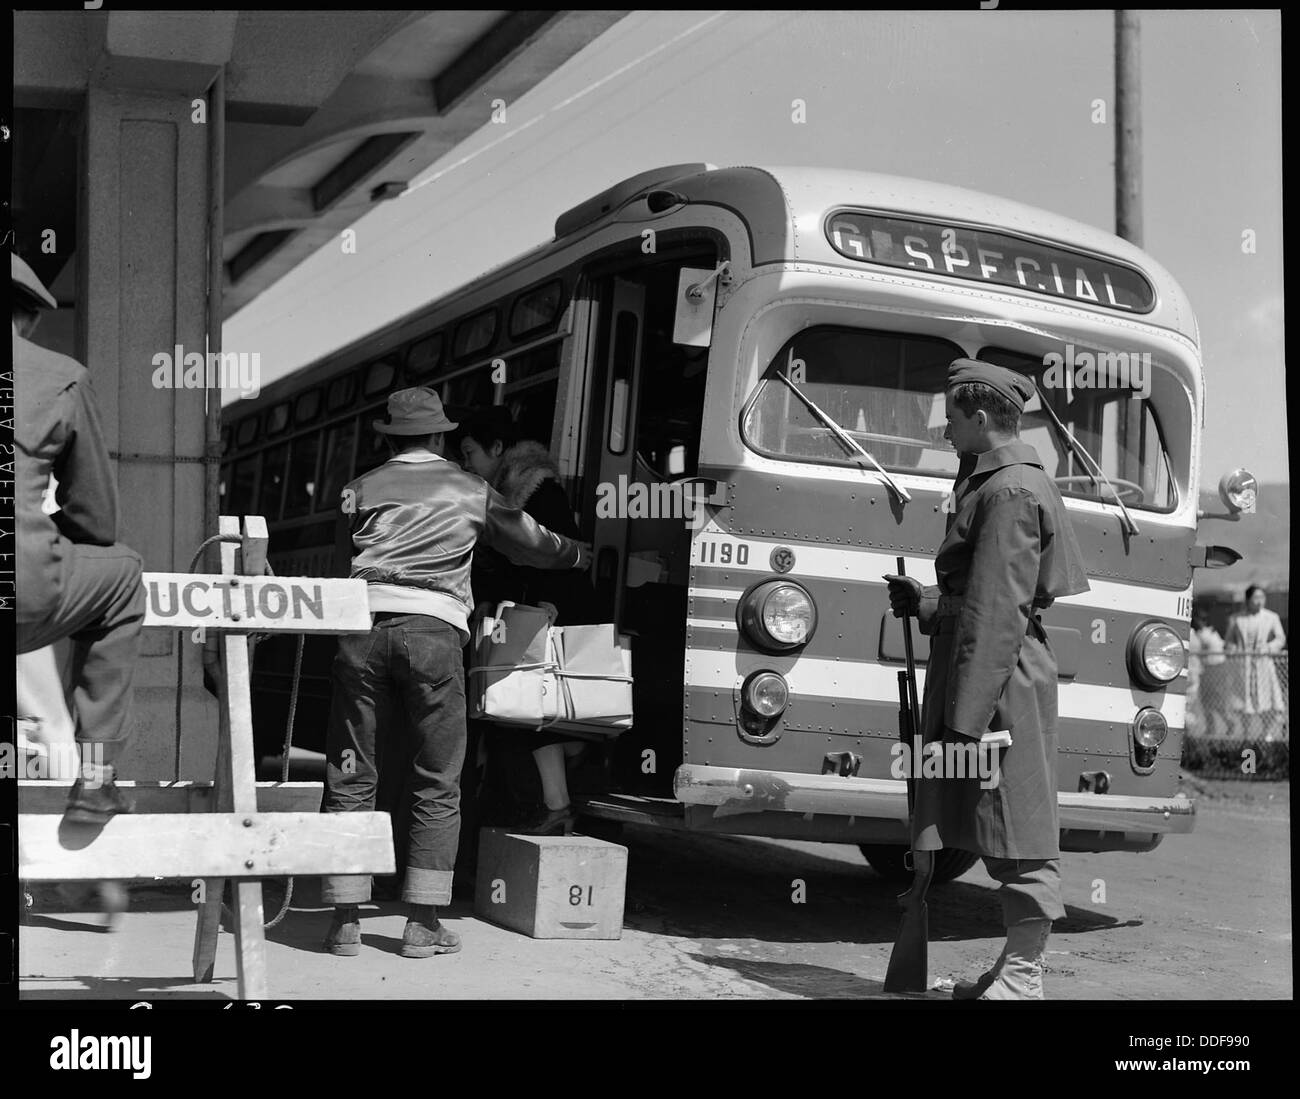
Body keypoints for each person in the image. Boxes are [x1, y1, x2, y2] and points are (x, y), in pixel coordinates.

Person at [321, 387, 590, 959]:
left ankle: (345, 919)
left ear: (389, 439)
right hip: (435, 635)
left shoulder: (358, 489)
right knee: (437, 777)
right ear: (441, 438)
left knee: (352, 774)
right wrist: (575, 554)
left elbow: (338, 565)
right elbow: (530, 544)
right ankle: (422, 924)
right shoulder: (468, 488)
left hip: (360, 635)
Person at [884, 358, 1089, 1001]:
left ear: (980, 418)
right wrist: (924, 605)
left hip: (998, 680)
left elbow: (1000, 612)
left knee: (1015, 829)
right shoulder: (995, 481)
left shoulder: (1008, 490)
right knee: (986, 817)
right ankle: (1010, 971)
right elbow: (982, 596)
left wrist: (965, 721)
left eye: (951, 418)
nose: (943, 430)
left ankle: (1025, 979)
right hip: (983, 671)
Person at [12, 252, 145, 824]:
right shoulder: (60, 375)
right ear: (30, 320)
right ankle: (95, 777)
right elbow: (96, 519)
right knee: (124, 576)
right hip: (22, 587)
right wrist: (49, 546)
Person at [457, 406, 601, 835]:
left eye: (470, 453)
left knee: (527, 711)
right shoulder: (505, 491)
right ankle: (559, 795)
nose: (466, 464)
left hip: (547, 615)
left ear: (497, 448)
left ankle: (557, 805)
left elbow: (554, 556)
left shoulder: (535, 491)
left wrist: (541, 605)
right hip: (528, 613)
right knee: (530, 713)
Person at [1225, 585, 1287, 742]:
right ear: (1248, 600)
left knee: (1270, 701)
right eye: (1256, 598)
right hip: (1243, 667)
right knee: (1244, 702)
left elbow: (1280, 639)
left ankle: (1267, 733)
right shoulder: (1236, 619)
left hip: (1264, 665)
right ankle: (1246, 735)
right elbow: (1228, 642)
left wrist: (1268, 647)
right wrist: (1232, 648)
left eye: (1262, 597)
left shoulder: (1271, 617)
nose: (1260, 601)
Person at [1188, 613, 1229, 739]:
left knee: (1218, 702)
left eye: (1203, 620)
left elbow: (1206, 647)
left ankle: (1229, 723)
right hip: (1205, 671)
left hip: (1215, 670)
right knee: (1206, 703)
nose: (1200, 622)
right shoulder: (1200, 633)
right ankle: (1211, 728)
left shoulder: (1208, 633)